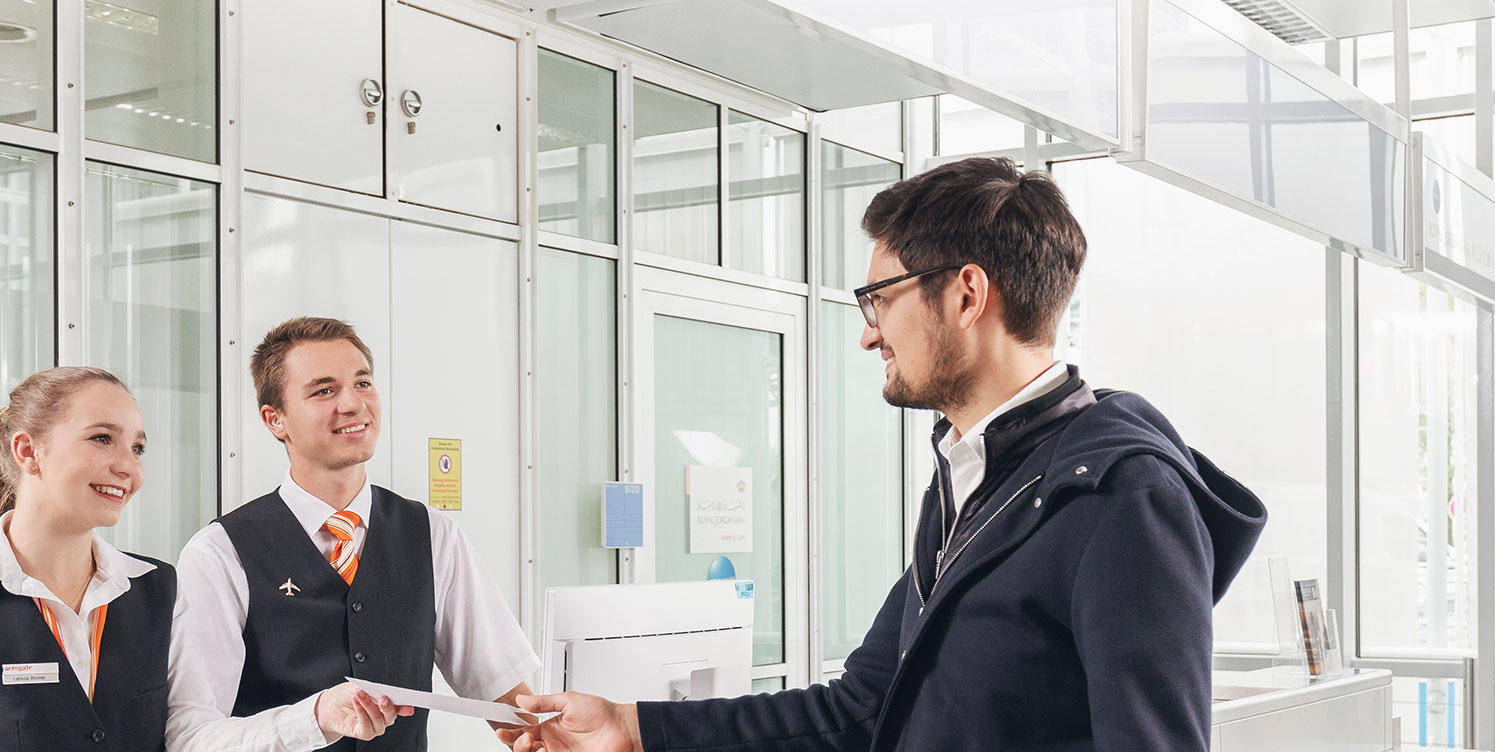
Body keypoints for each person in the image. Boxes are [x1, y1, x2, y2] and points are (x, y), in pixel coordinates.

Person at [504, 157, 1269, 752]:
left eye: (881, 298)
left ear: (967, 296)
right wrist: (629, 727)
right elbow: (863, 706)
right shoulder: (975, 483)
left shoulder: (1122, 500)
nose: (870, 332)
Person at [167, 316, 540, 751]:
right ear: (275, 419)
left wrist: (543, 734)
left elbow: (502, 687)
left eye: (362, 383)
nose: (353, 404)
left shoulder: (433, 535)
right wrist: (315, 718)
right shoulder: (219, 553)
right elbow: (192, 738)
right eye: (324, 390)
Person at [0, 367, 276, 751]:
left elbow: (193, 737)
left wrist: (315, 717)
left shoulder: (161, 591)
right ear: (28, 451)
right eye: (102, 439)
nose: (129, 467)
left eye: (137, 448)